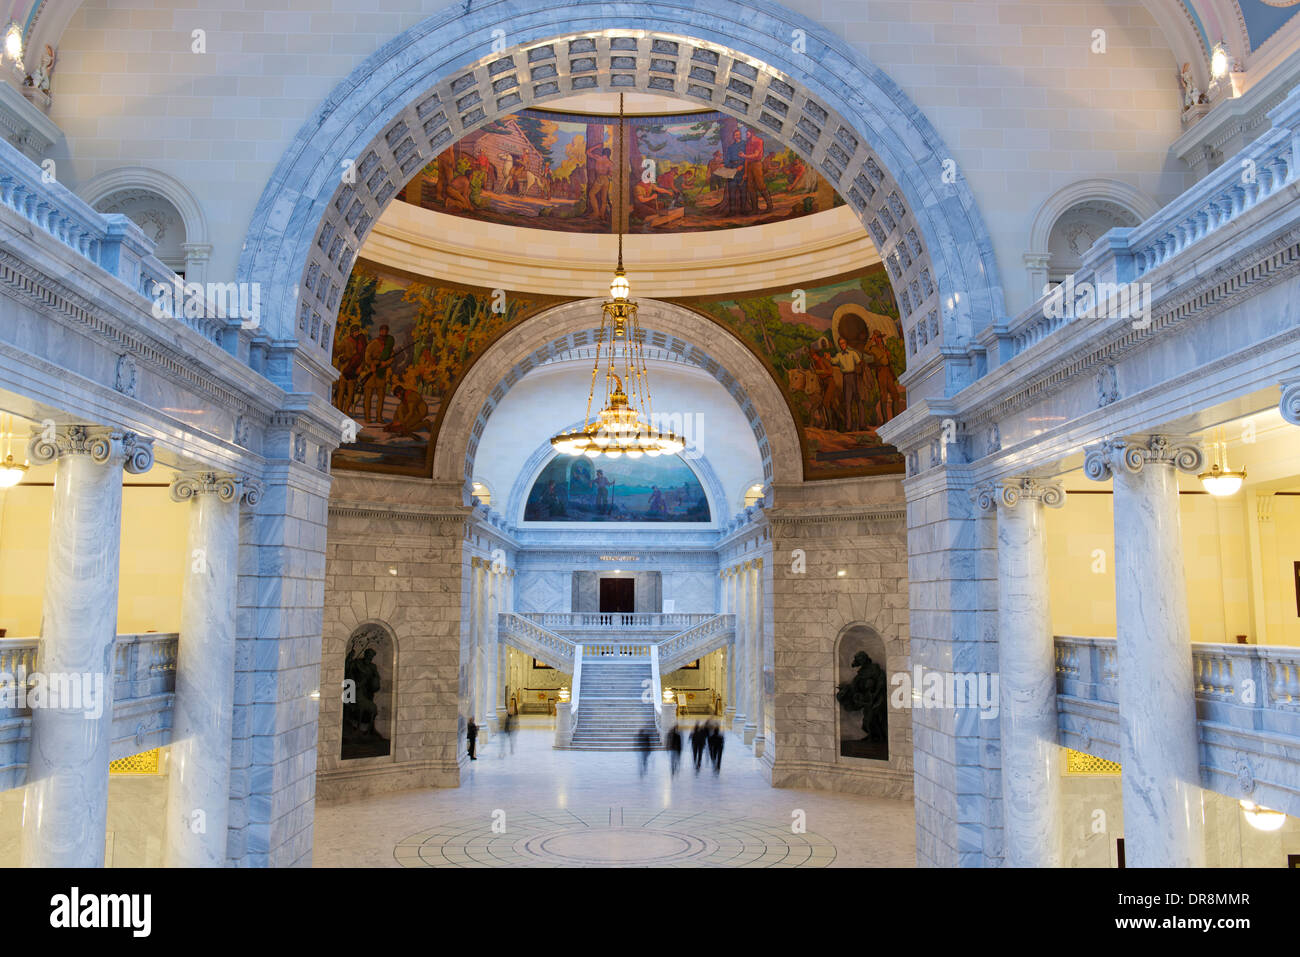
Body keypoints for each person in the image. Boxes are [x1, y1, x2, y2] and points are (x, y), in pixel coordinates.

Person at [361, 323, 396, 423]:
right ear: (380, 331)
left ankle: (379, 417)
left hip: (382, 372)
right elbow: (367, 355)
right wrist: (371, 364)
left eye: (386, 330)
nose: (384, 332)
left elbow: (392, 356)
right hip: (372, 372)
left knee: (381, 397)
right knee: (368, 397)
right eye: (382, 330)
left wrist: (386, 363)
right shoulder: (373, 343)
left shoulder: (388, 345)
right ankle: (367, 417)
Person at [833, 336, 864, 432]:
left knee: (859, 400)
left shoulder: (853, 353)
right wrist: (827, 357)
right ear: (840, 345)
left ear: (846, 344)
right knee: (848, 402)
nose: (842, 345)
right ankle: (848, 426)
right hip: (846, 378)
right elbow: (833, 361)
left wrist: (860, 373)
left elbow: (859, 362)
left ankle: (862, 424)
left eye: (843, 343)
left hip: (854, 377)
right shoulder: (839, 355)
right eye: (840, 344)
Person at [740, 127, 774, 213]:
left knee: (760, 185)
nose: (746, 135)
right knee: (750, 187)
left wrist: (744, 156)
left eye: (747, 133)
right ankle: (755, 209)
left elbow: (756, 154)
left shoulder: (759, 141)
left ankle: (769, 207)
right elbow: (747, 160)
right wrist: (745, 172)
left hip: (757, 165)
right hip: (750, 166)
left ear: (752, 133)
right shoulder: (748, 143)